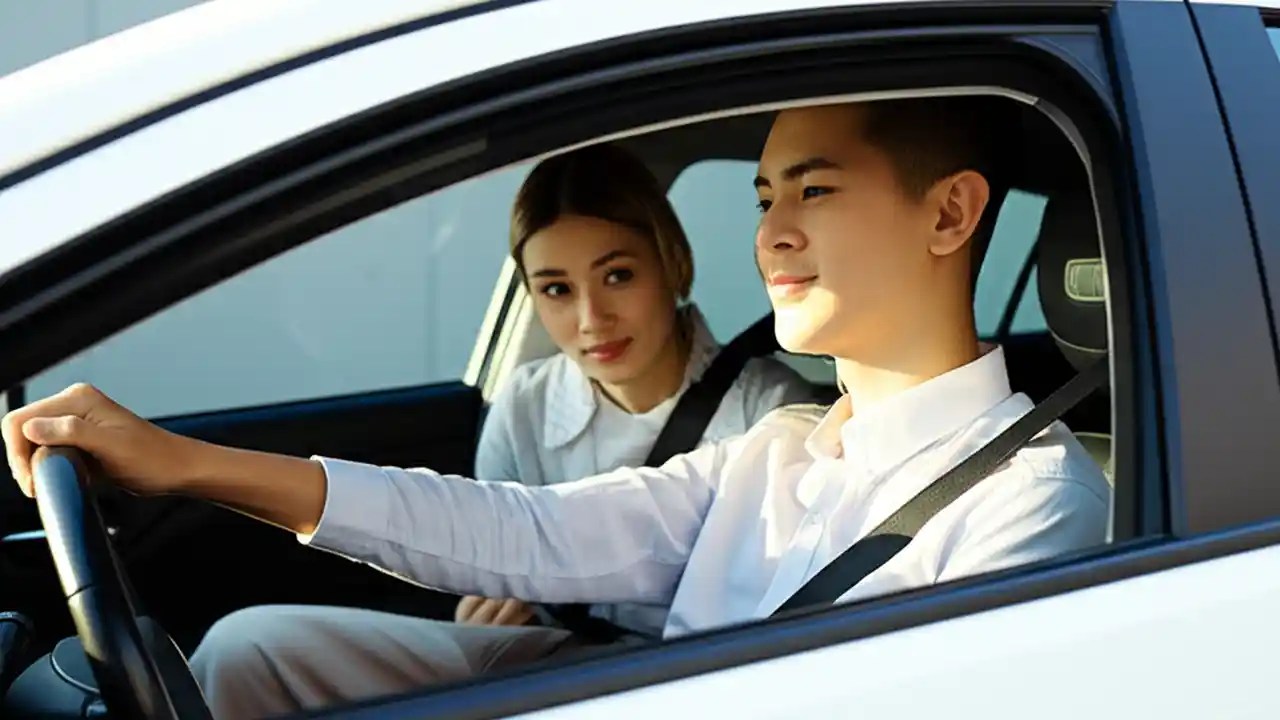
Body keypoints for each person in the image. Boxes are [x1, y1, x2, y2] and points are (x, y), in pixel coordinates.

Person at [3, 97, 1110, 719]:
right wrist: (188, 464)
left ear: (949, 213)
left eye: (813, 191)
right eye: (763, 198)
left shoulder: (1032, 505)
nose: (769, 235)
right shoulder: (777, 452)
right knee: (253, 656)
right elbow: (519, 530)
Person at [454, 144, 816, 637]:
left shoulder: (772, 413)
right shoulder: (523, 408)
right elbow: (490, 568)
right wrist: (486, 619)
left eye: (618, 276)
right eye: (557, 290)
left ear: (672, 263)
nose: (591, 320)